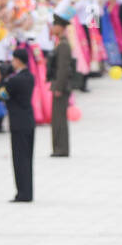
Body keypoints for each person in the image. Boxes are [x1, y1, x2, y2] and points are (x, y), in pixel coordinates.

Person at [0, 48, 35, 202]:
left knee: (19, 160)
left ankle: (22, 193)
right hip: (29, 122)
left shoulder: (15, 80)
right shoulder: (30, 77)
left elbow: (2, 95)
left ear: (18, 60)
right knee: (27, 159)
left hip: (18, 124)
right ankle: (27, 192)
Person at [47, 17, 73, 157]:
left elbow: (63, 68)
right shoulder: (60, 43)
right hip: (59, 85)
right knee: (57, 118)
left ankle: (61, 148)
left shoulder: (63, 45)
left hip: (61, 86)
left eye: (55, 25)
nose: (52, 28)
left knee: (59, 119)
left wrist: (58, 87)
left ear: (61, 27)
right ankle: (58, 147)